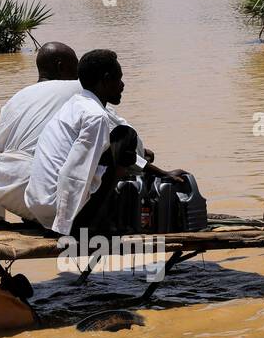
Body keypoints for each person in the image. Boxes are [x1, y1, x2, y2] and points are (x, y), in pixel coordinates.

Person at [25, 49, 181, 236]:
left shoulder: (75, 104)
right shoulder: (95, 117)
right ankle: (100, 221)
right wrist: (63, 229)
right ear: (106, 79)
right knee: (126, 135)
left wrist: (162, 173)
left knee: (118, 141)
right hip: (60, 212)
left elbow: (115, 155)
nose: (122, 86)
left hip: (40, 207)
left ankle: (100, 216)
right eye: (119, 79)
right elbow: (75, 173)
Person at [0, 42, 81, 223]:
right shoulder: (78, 89)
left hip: (5, 190)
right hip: (43, 195)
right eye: (76, 68)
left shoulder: (16, 98)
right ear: (61, 67)